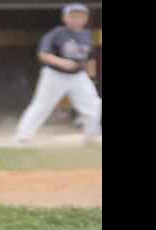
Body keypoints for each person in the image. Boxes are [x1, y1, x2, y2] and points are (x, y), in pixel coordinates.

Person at [12, 3, 100, 145]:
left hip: (78, 75)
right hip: (54, 74)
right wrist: (62, 62)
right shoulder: (57, 33)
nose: (78, 20)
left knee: (93, 104)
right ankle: (23, 135)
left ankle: (91, 136)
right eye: (74, 16)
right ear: (65, 18)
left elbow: (91, 58)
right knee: (42, 104)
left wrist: (91, 78)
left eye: (81, 16)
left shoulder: (87, 34)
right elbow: (43, 54)